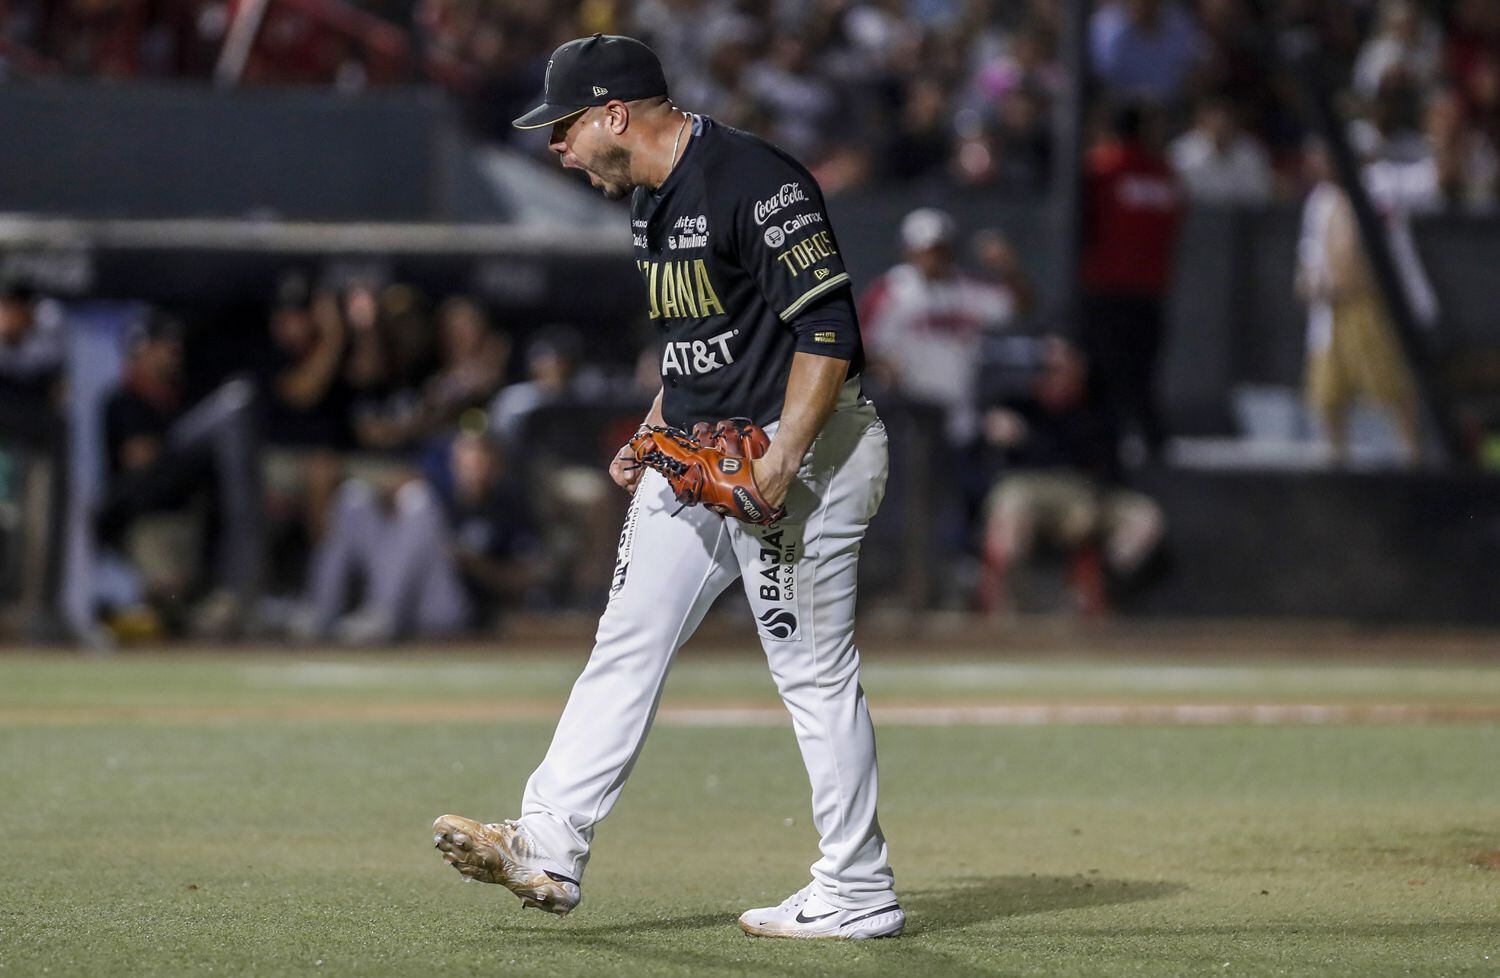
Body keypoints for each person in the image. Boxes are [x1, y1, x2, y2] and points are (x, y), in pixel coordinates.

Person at [432, 33, 904, 941]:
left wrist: (780, 462)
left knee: (810, 668)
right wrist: (655, 426)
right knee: (627, 638)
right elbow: (703, 342)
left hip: (807, 449)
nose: (556, 147)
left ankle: (858, 887)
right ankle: (548, 841)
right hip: (702, 450)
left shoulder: (754, 181)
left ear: (615, 113)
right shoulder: (649, 198)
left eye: (565, 127)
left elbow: (829, 333)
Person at [94, 312, 263, 635]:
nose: (173, 352)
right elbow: (140, 462)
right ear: (141, 350)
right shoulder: (123, 400)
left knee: (196, 608)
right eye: (162, 345)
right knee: (161, 602)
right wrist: (183, 450)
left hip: (187, 518)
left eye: (173, 345)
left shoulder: (181, 396)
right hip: (144, 522)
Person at [975, 336, 1164, 615]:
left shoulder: (1098, 406)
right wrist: (1007, 436)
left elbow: (1107, 466)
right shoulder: (1019, 405)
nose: (1055, 374)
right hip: (1034, 489)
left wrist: (1031, 439)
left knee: (1143, 517)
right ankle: (1002, 604)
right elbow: (988, 466)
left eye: (1063, 366)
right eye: (1048, 368)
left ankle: (1098, 592)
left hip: (1087, 492)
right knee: (1010, 503)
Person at [289, 432, 537, 643]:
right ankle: (322, 609)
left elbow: (524, 578)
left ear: (496, 466)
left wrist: (471, 562)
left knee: (420, 502)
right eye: (468, 462)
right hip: (405, 587)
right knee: (353, 497)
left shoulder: (508, 506)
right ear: (455, 463)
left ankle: (381, 614)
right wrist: (386, 496)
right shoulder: (444, 495)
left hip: (450, 603)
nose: (474, 469)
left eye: (481, 462)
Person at [1295, 141, 1424, 466]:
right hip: (1331, 310)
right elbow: (1310, 258)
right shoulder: (1319, 200)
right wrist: (1311, 283)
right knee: (1327, 395)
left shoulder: (1379, 187)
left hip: (1373, 307)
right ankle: (1336, 461)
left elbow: (1359, 261)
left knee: (1393, 389)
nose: (1318, 162)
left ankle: (1412, 460)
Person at [859, 208, 1024, 448]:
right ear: (909, 251)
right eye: (926, 252)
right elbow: (857, 343)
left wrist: (1007, 267)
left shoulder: (968, 287)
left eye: (940, 250)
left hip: (962, 409)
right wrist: (881, 364)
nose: (933, 259)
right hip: (907, 411)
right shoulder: (892, 290)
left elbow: (1019, 307)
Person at [1080, 102, 1185, 462]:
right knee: (1143, 367)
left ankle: (1109, 441)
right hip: (1150, 288)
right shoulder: (1164, 174)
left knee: (1105, 368)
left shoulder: (1101, 169)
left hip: (1106, 286)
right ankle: (1151, 437)